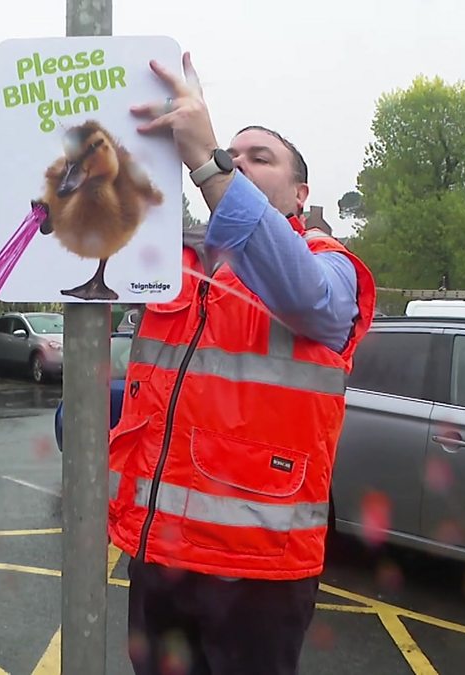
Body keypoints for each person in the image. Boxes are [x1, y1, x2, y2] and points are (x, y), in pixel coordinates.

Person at [108, 52, 377, 675]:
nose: (239, 162)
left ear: (301, 193)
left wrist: (206, 161)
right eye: (233, 152)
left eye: (259, 157)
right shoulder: (176, 267)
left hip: (257, 569)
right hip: (159, 552)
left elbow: (307, 298)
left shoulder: (331, 265)